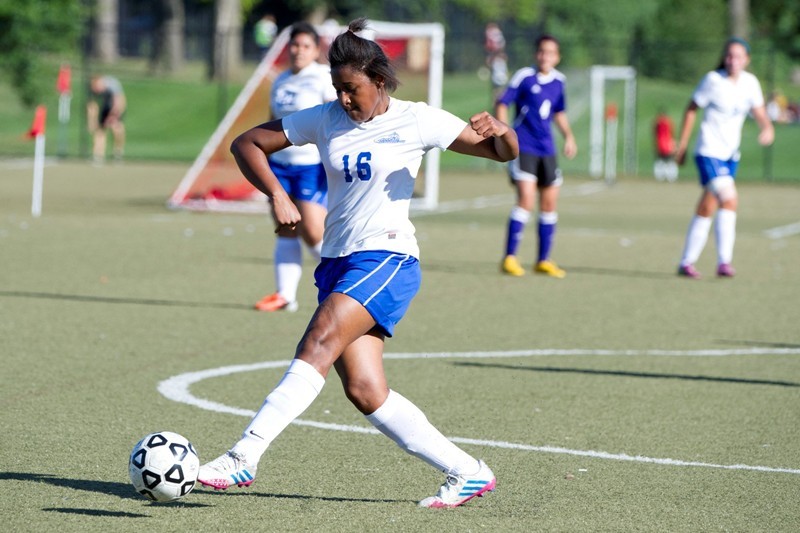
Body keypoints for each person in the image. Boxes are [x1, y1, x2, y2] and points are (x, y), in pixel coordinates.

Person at [196, 17, 518, 509]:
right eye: (338, 90)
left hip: (388, 256)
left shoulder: (418, 119)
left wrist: (505, 132)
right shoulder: (325, 118)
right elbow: (248, 143)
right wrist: (279, 195)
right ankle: (467, 471)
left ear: (380, 81)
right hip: (336, 262)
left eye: (352, 90)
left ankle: (244, 455)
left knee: (319, 338)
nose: (345, 100)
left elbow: (501, 153)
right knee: (366, 391)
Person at [254, 22, 337, 313]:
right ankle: (285, 295)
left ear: (316, 50)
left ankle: (339, 282)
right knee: (286, 226)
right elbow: (270, 122)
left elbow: (337, 118)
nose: (298, 50)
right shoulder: (281, 80)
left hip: (310, 166)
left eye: (305, 46)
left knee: (313, 230)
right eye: (294, 45)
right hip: (279, 166)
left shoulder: (324, 79)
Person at [675, 37, 774, 279]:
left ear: (747, 60)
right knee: (729, 199)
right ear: (724, 58)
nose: (733, 60)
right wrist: (683, 143)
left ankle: (686, 262)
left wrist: (767, 127)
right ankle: (724, 262)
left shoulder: (750, 83)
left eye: (738, 56)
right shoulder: (712, 80)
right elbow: (691, 108)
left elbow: (759, 110)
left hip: (731, 155)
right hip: (709, 151)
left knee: (708, 206)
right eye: (729, 55)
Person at [495, 34, 577, 278]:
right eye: (542, 51)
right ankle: (509, 257)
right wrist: (503, 131)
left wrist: (569, 136)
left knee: (549, 204)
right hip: (524, 147)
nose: (545, 56)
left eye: (551, 53)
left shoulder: (559, 82)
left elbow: (558, 112)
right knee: (527, 200)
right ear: (536, 54)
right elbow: (502, 103)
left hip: (547, 150)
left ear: (557, 57)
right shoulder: (524, 76)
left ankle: (543, 259)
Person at [87, 75, 126, 163]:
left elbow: (119, 102)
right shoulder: (94, 90)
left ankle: (118, 153)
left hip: (116, 108)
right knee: (99, 131)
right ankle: (98, 155)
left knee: (117, 129)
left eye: (96, 87)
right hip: (105, 108)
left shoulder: (113, 85)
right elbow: (92, 106)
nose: (95, 90)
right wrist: (92, 121)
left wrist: (113, 116)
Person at [653, 110, 678, 182]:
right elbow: (672, 132)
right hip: (667, 144)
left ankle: (661, 176)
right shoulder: (668, 122)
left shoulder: (657, 122)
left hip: (661, 143)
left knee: (662, 161)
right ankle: (670, 176)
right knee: (669, 161)